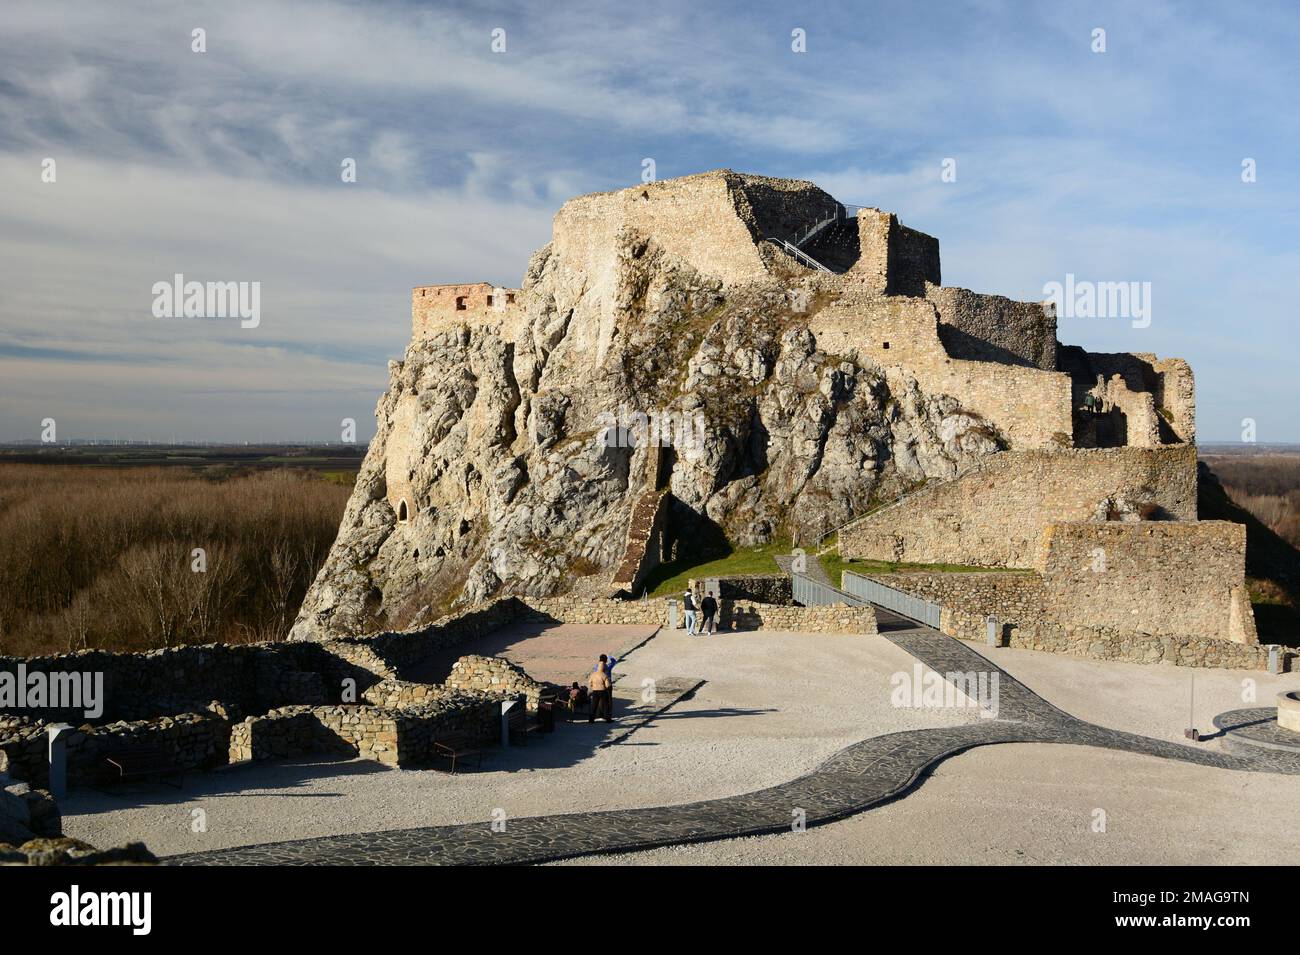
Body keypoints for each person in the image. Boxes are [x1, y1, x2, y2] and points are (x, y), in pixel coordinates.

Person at [588, 655, 612, 723]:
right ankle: (608, 719)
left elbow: (589, 682)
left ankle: (591, 719)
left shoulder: (593, 674)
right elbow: (608, 685)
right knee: (606, 705)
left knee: (594, 705)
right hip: (603, 691)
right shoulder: (604, 675)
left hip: (595, 691)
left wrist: (593, 687)